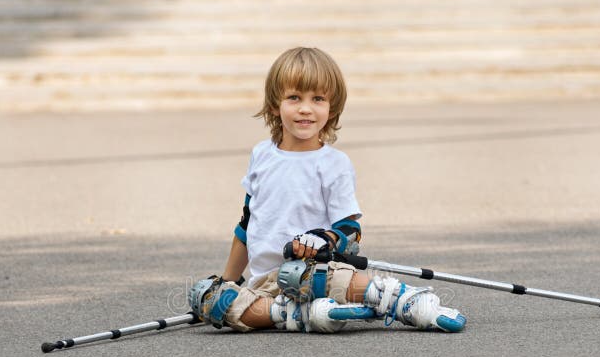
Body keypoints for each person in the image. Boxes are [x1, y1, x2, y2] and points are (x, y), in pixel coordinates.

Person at [189, 47, 465, 333]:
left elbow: (350, 230)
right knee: (218, 304)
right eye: (294, 97)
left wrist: (322, 239)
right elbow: (247, 224)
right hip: (266, 286)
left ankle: (399, 300)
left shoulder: (334, 164)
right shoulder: (261, 155)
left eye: (317, 99)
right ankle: (294, 313)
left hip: (311, 272)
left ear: (331, 108)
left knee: (329, 279)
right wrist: (228, 282)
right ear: (275, 104)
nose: (305, 108)